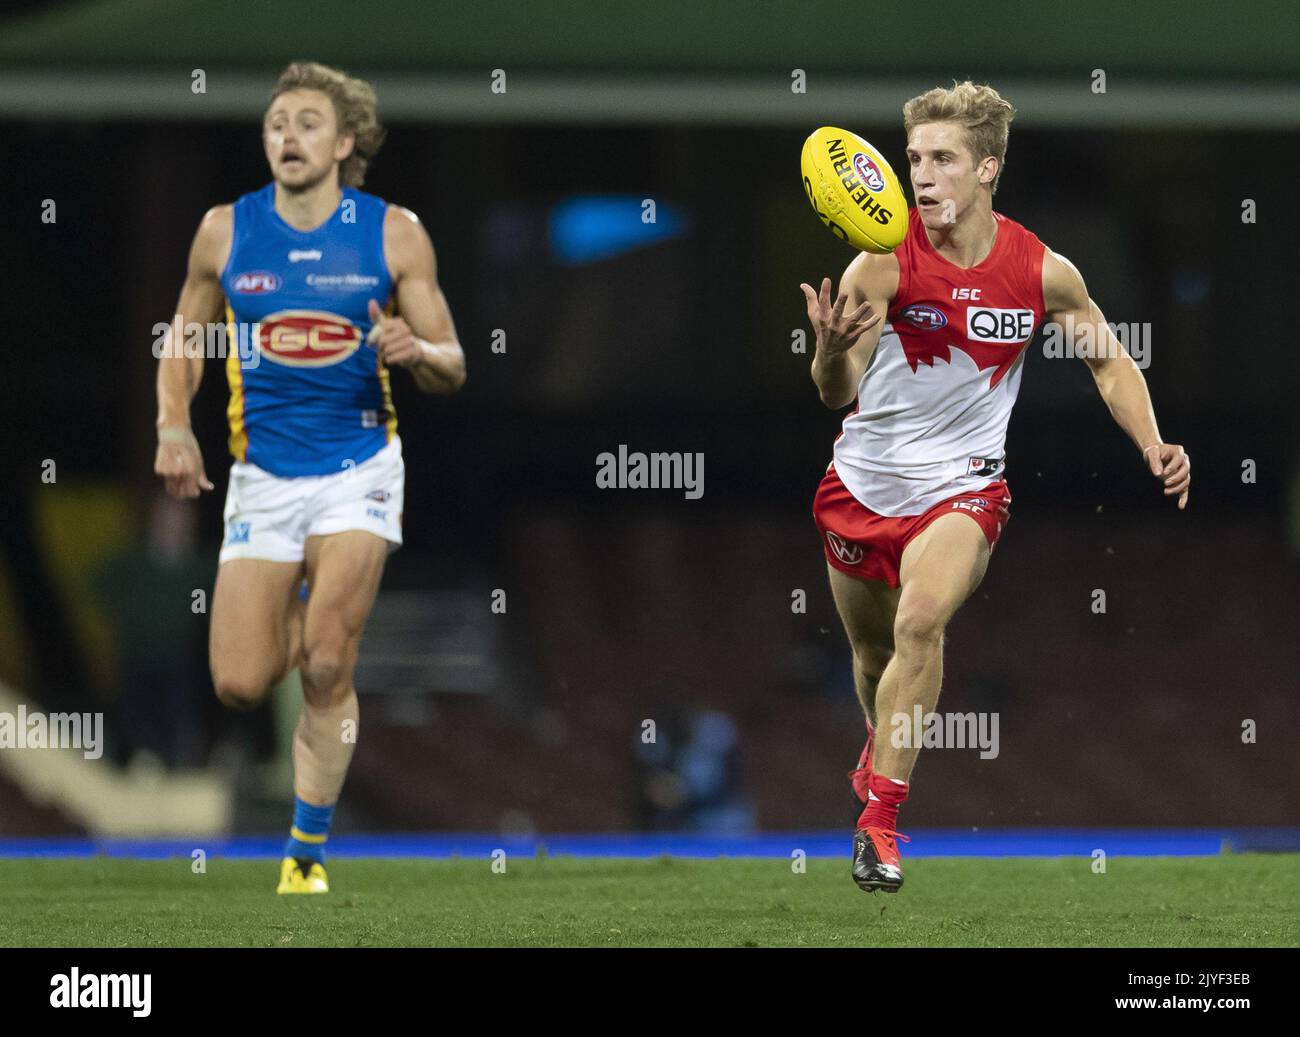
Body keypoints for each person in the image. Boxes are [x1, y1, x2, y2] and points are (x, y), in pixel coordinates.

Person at [800, 81, 1189, 892]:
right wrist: (831, 349)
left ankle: (880, 823)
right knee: (873, 656)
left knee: (921, 620)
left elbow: (1107, 358)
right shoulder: (879, 260)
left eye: (942, 159)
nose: (923, 177)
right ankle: (880, 757)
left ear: (988, 168)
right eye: (914, 160)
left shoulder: (1042, 271)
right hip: (861, 489)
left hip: (965, 490)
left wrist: (1153, 442)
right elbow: (836, 392)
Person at [154, 61, 466, 893]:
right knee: (239, 680)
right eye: (275, 123)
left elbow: (453, 362)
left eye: (306, 123)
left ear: (345, 143)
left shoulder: (394, 233)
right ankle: (298, 601)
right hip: (262, 478)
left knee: (328, 659)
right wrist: (174, 424)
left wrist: (416, 351)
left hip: (358, 468)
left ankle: (304, 851)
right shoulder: (225, 231)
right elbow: (183, 337)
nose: (287, 136)